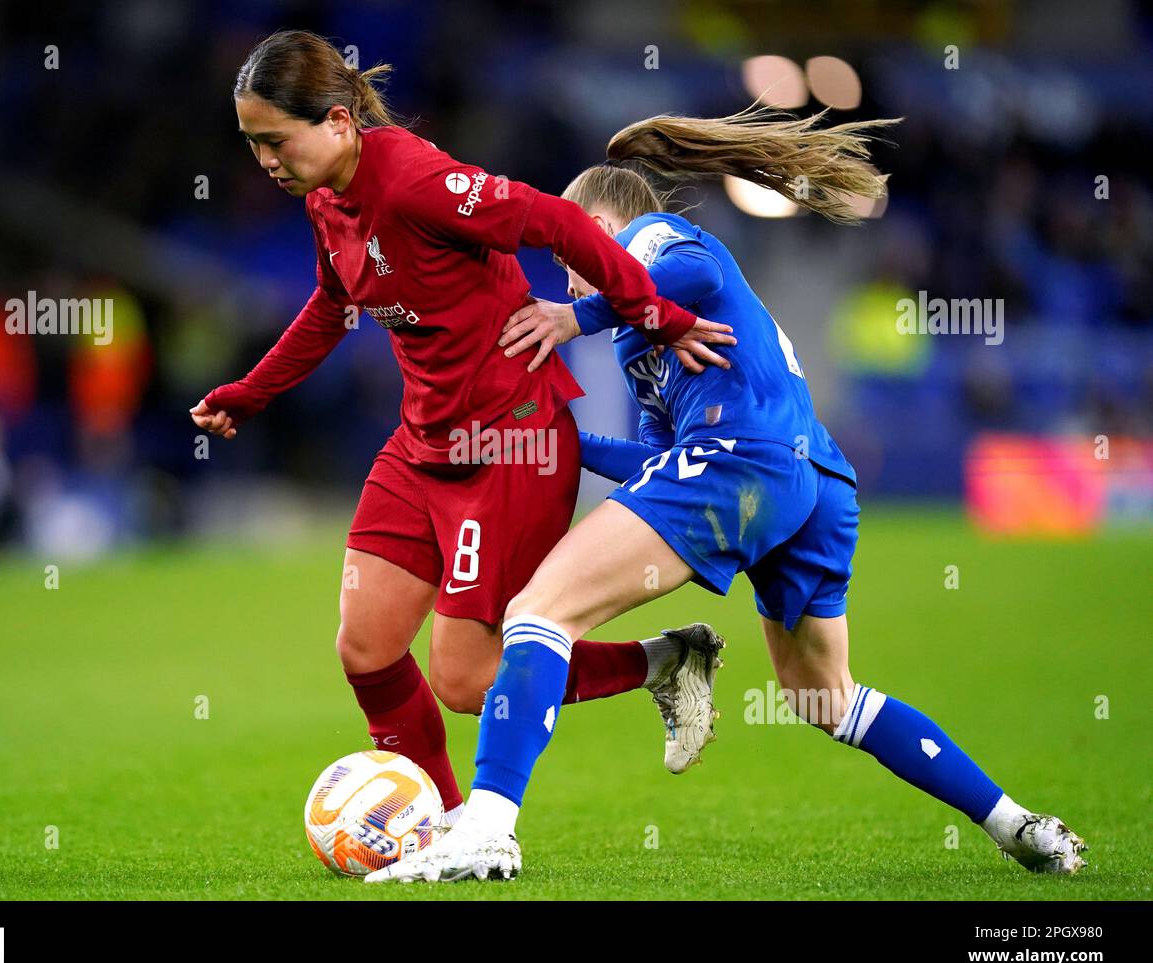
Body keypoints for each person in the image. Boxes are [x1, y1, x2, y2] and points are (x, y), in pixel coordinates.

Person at [368, 107, 1087, 882]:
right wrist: (561, 445)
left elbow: (699, 274)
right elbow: (656, 457)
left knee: (538, 613)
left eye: (570, 253)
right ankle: (1018, 825)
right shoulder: (640, 333)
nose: (568, 272)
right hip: (809, 484)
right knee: (823, 698)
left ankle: (487, 829)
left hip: (740, 463)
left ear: (600, 222)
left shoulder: (647, 241)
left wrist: (576, 315)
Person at [191, 31, 739, 823]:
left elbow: (559, 222)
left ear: (339, 122)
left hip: (511, 443)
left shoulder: (417, 182)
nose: (266, 161)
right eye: (252, 146)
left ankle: (665, 660)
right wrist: (249, 392)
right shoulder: (324, 200)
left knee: (465, 681)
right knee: (367, 648)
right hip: (423, 446)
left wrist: (657, 316)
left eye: (275, 140)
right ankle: (443, 825)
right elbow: (330, 305)